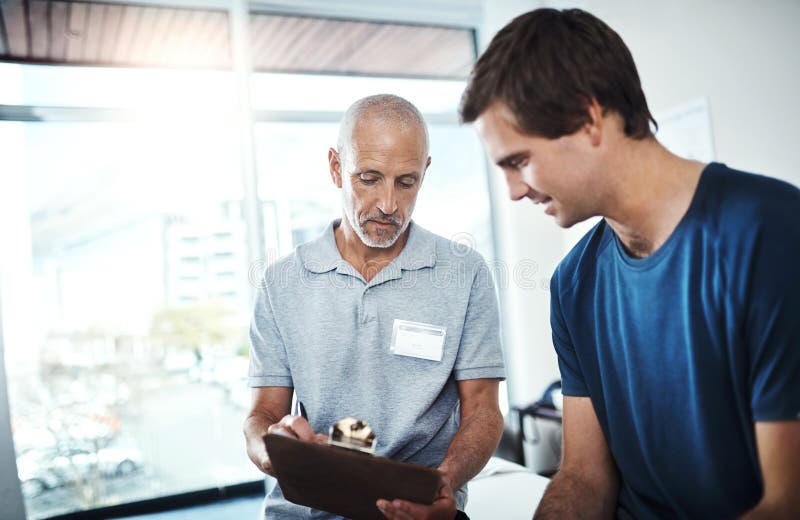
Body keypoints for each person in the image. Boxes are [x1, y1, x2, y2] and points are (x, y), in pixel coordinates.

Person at [459, 7, 800, 519]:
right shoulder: (573, 284)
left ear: (588, 118)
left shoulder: (771, 233)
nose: (513, 191)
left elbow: (787, 503)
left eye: (519, 160)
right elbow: (583, 478)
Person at [243, 94, 506, 520]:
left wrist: (445, 482)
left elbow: (483, 410)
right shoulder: (281, 282)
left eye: (406, 182)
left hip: (423, 506)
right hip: (308, 510)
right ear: (335, 168)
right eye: (369, 178)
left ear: (425, 173)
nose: (388, 205)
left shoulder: (466, 273)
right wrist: (273, 448)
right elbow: (262, 414)